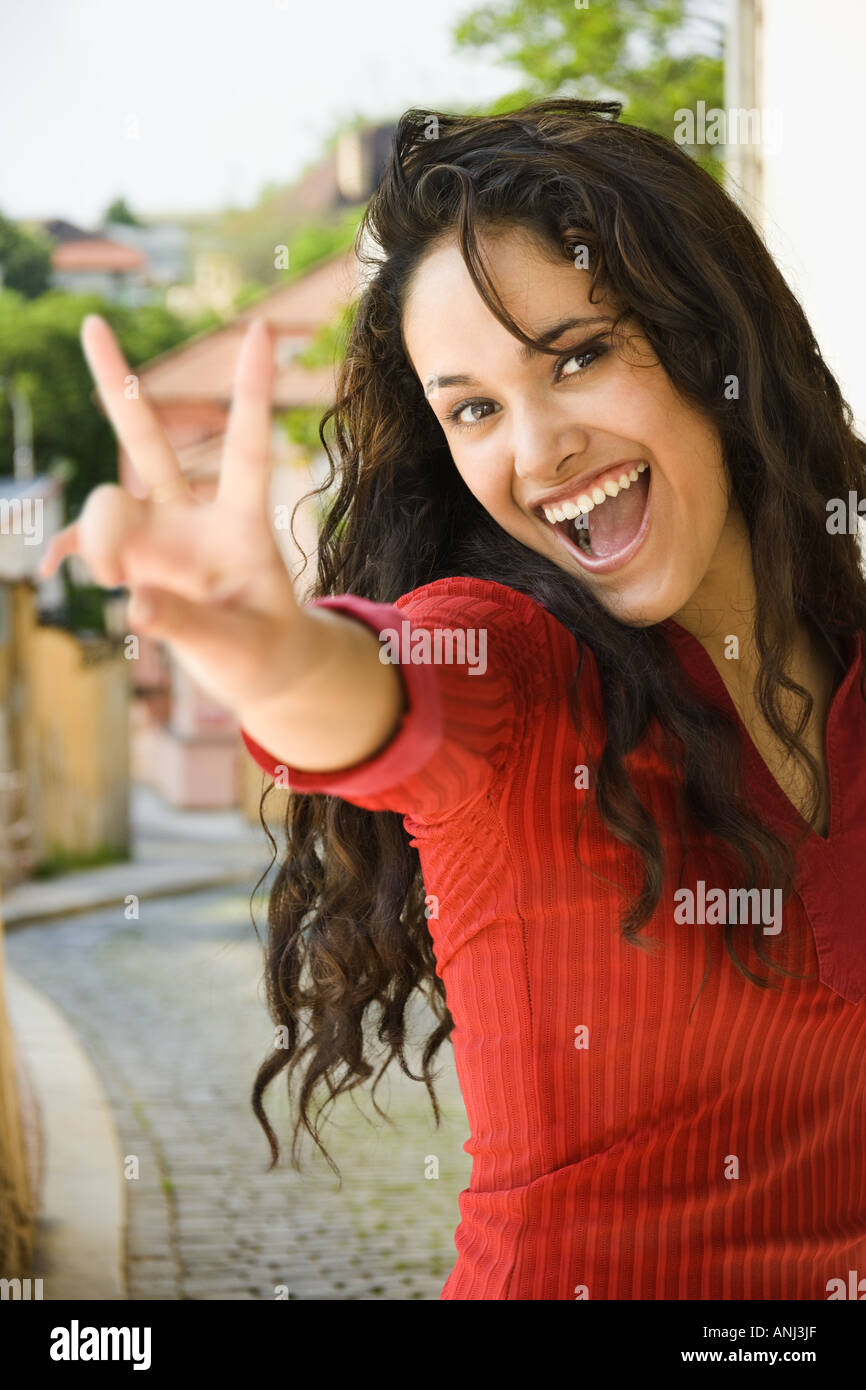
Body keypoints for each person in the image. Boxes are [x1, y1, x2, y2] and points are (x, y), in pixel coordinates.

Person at [41, 99, 866, 1301]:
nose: (535, 451)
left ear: (707, 343)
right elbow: (379, 695)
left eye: (577, 354)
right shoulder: (511, 666)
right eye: (472, 408)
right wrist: (274, 654)